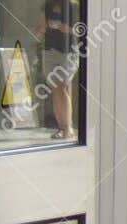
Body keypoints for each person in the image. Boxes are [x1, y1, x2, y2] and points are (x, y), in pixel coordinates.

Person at [40, 0, 83, 140]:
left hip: (67, 51)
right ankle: (61, 127)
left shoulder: (74, 6)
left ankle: (68, 127)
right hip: (50, 50)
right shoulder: (47, 5)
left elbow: (82, 30)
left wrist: (68, 29)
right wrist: (43, 28)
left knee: (63, 87)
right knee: (56, 88)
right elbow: (41, 28)